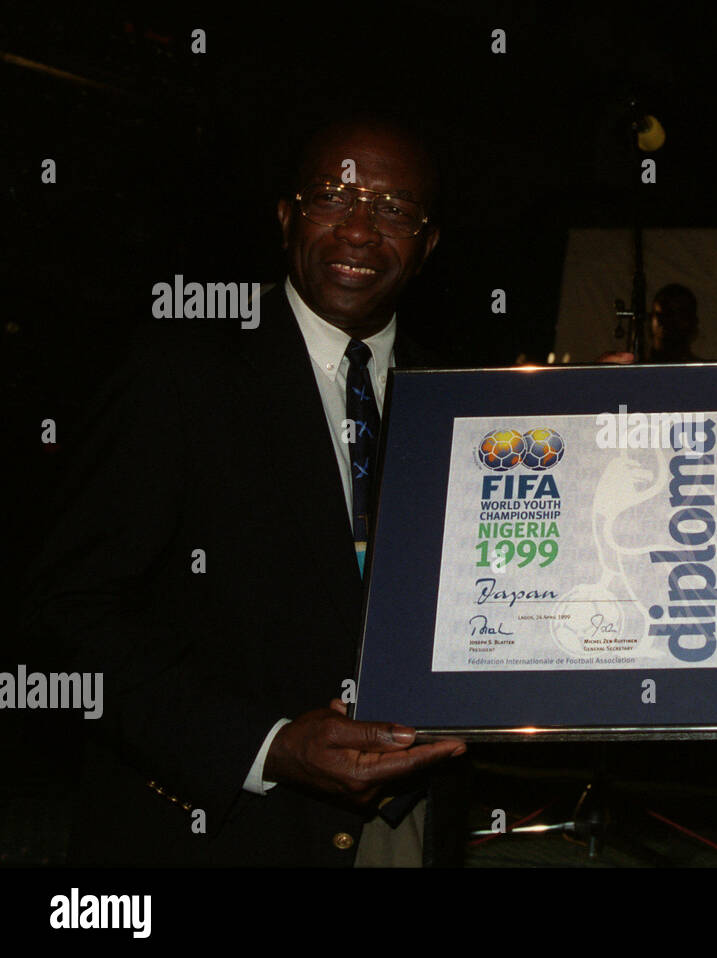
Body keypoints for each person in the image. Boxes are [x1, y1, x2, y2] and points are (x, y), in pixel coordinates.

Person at [26, 115, 464, 866]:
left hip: (409, 830)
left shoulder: (458, 402)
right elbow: (69, 609)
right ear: (288, 218)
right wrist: (266, 746)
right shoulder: (178, 372)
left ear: (426, 245)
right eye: (334, 196)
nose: (360, 230)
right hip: (220, 830)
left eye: (393, 210)